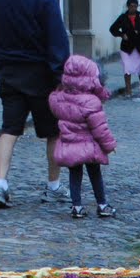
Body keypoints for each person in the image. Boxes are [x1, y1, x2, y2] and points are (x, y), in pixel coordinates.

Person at [0, 0, 71, 209]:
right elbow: (56, 36)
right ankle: (53, 187)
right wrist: (60, 73)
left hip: (9, 70)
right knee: (53, 132)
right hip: (40, 74)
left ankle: (1, 183)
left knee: (9, 129)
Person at [49, 54, 119, 219]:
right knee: (95, 174)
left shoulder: (60, 98)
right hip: (89, 147)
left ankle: (77, 206)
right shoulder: (91, 102)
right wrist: (109, 146)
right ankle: (102, 204)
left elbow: (53, 104)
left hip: (70, 145)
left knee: (75, 175)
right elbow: (99, 129)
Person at [110, 0, 140, 99]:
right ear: (128, 6)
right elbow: (112, 29)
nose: (133, 8)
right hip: (127, 47)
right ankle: (128, 90)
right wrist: (121, 35)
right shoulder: (123, 17)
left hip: (139, 46)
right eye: (131, 6)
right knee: (127, 68)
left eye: (135, 6)